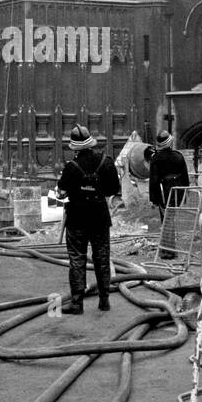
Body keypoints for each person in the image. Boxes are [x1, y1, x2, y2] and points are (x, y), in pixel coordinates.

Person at [56, 125, 121, 314]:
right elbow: (112, 189)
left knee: (77, 258)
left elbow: (61, 193)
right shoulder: (106, 162)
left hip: (77, 217)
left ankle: (77, 303)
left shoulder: (71, 167)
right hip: (100, 217)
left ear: (75, 147)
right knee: (102, 256)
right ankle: (104, 300)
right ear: (91, 143)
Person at [148, 131, 190, 259]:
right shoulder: (178, 156)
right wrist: (185, 192)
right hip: (178, 191)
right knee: (171, 218)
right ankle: (169, 249)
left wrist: (154, 199)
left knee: (166, 220)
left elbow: (154, 181)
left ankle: (168, 251)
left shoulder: (156, 159)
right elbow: (185, 177)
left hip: (164, 193)